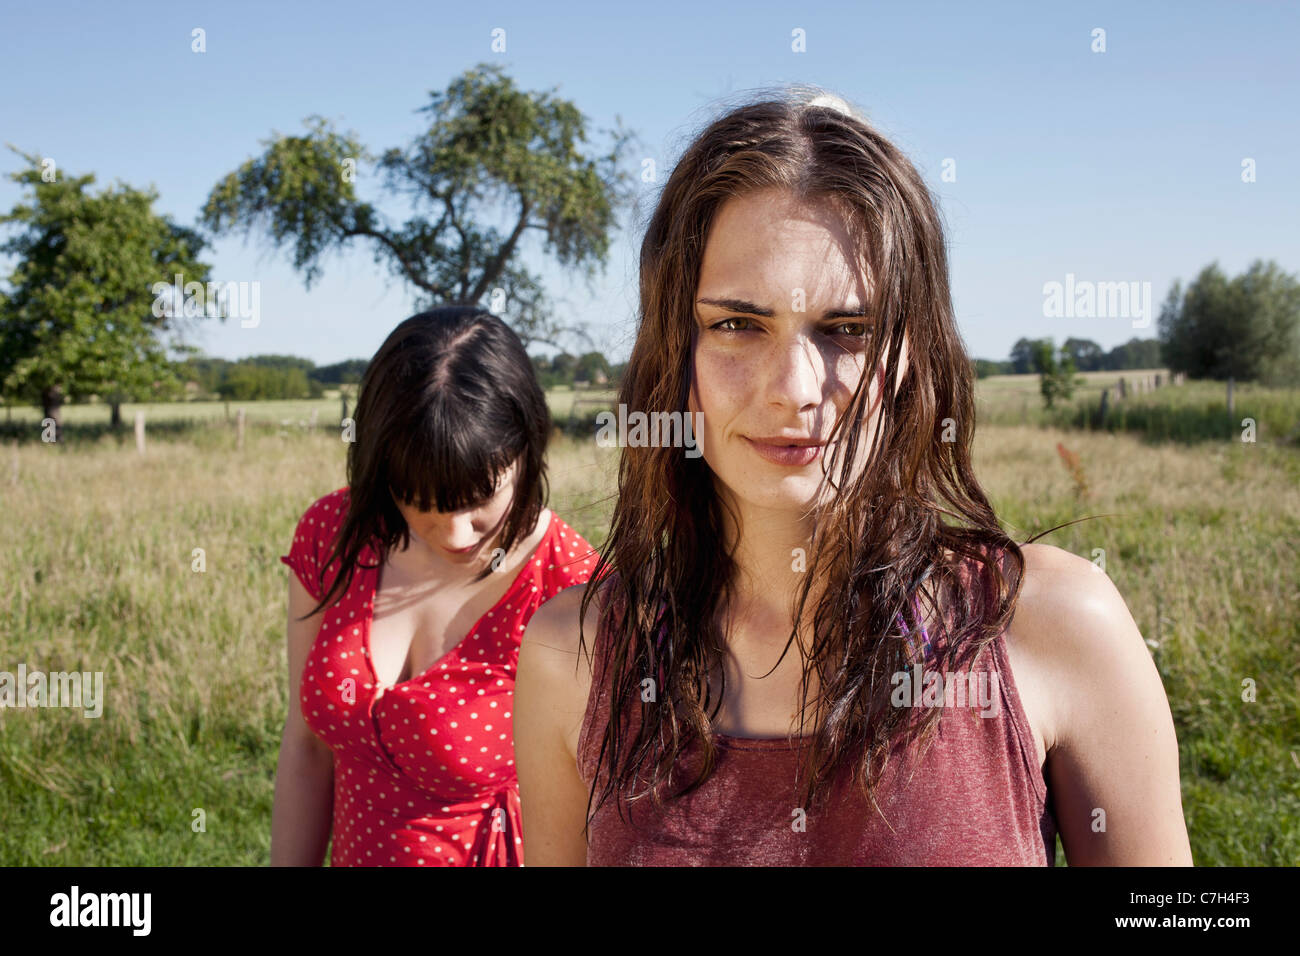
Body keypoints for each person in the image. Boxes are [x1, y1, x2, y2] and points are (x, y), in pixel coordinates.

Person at [514, 88, 1193, 866]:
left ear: (912, 355)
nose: (795, 388)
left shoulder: (1053, 626)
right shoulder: (578, 656)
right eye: (738, 324)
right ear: (677, 353)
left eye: (846, 330)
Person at [272, 306, 597, 866]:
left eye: (479, 500)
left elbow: (600, 808)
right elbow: (306, 749)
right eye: (421, 502)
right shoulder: (334, 536)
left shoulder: (571, 585)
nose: (455, 533)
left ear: (528, 448)